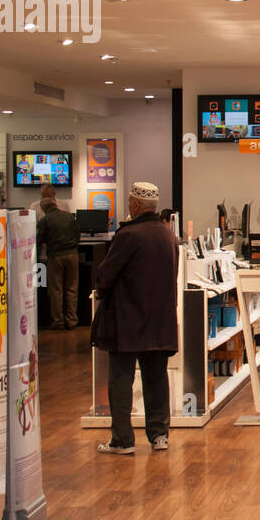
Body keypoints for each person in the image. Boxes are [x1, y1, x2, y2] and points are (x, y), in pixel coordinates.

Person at [93, 181, 179, 454]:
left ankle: (122, 439)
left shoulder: (128, 235)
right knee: (156, 379)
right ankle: (159, 436)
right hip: (159, 321)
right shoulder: (168, 235)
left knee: (121, 378)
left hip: (127, 321)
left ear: (134, 205)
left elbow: (106, 276)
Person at [35, 188, 81, 329]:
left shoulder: (44, 220)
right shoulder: (69, 217)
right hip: (72, 255)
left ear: (44, 208)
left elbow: (39, 240)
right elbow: (77, 235)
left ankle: (58, 321)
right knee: (72, 289)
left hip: (55, 257)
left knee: (56, 290)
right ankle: (72, 320)